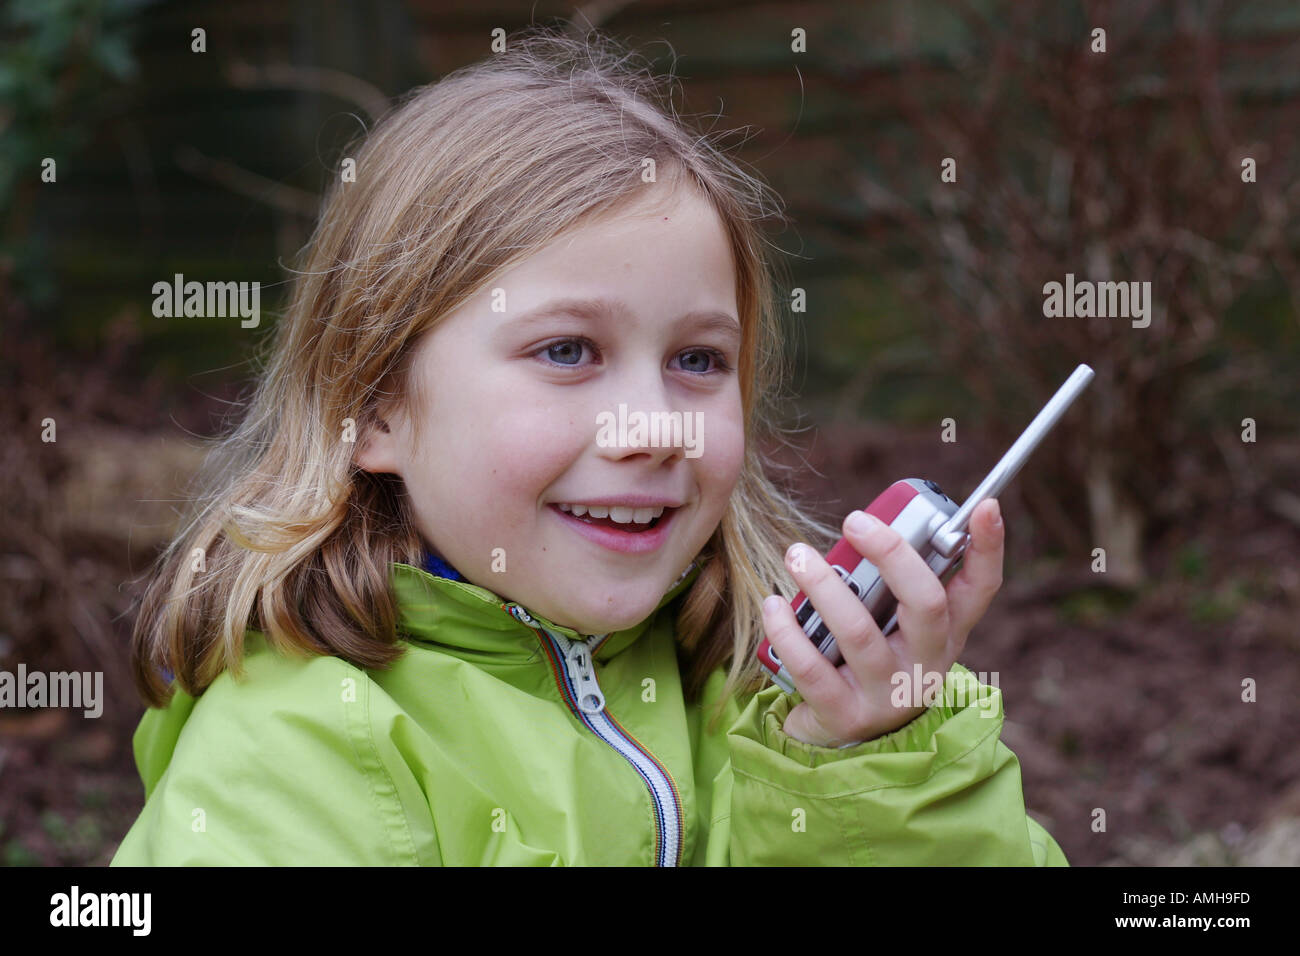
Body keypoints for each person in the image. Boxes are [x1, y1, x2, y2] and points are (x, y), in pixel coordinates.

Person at [111, 27, 1067, 866]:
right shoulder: (291, 760)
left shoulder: (763, 700)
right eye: (567, 352)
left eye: (697, 360)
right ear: (374, 408)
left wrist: (869, 764)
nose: (654, 428)